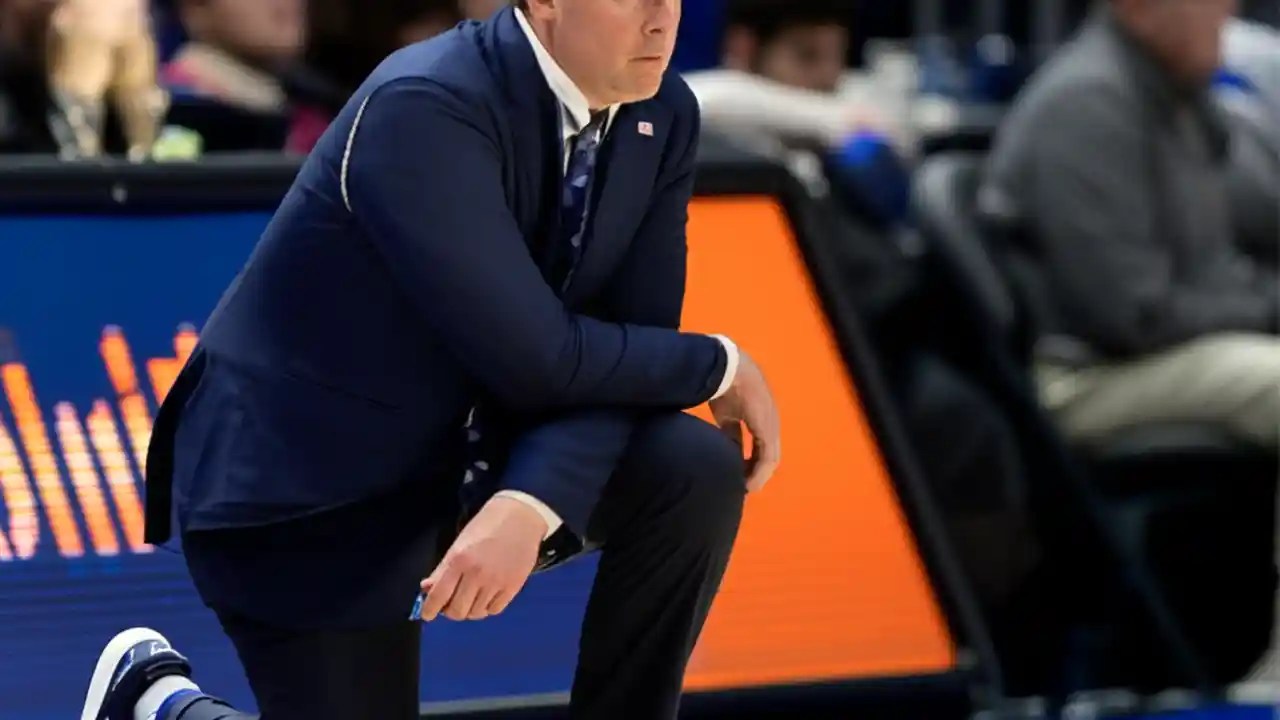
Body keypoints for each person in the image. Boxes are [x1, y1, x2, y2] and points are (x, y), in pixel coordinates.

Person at [79, 1, 781, 719]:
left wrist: (532, 502)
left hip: (457, 453)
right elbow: (538, 355)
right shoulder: (427, 105)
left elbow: (623, 352)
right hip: (308, 487)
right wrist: (719, 365)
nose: (662, 20)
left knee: (691, 467)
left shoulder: (660, 110)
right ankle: (157, 707)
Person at [982, 0, 1280, 684]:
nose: (1228, 14)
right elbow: (1127, 314)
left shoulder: (1176, 93)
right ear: (1141, 7)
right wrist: (1267, 308)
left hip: (1173, 348)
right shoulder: (1087, 104)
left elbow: (1247, 235)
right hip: (1092, 374)